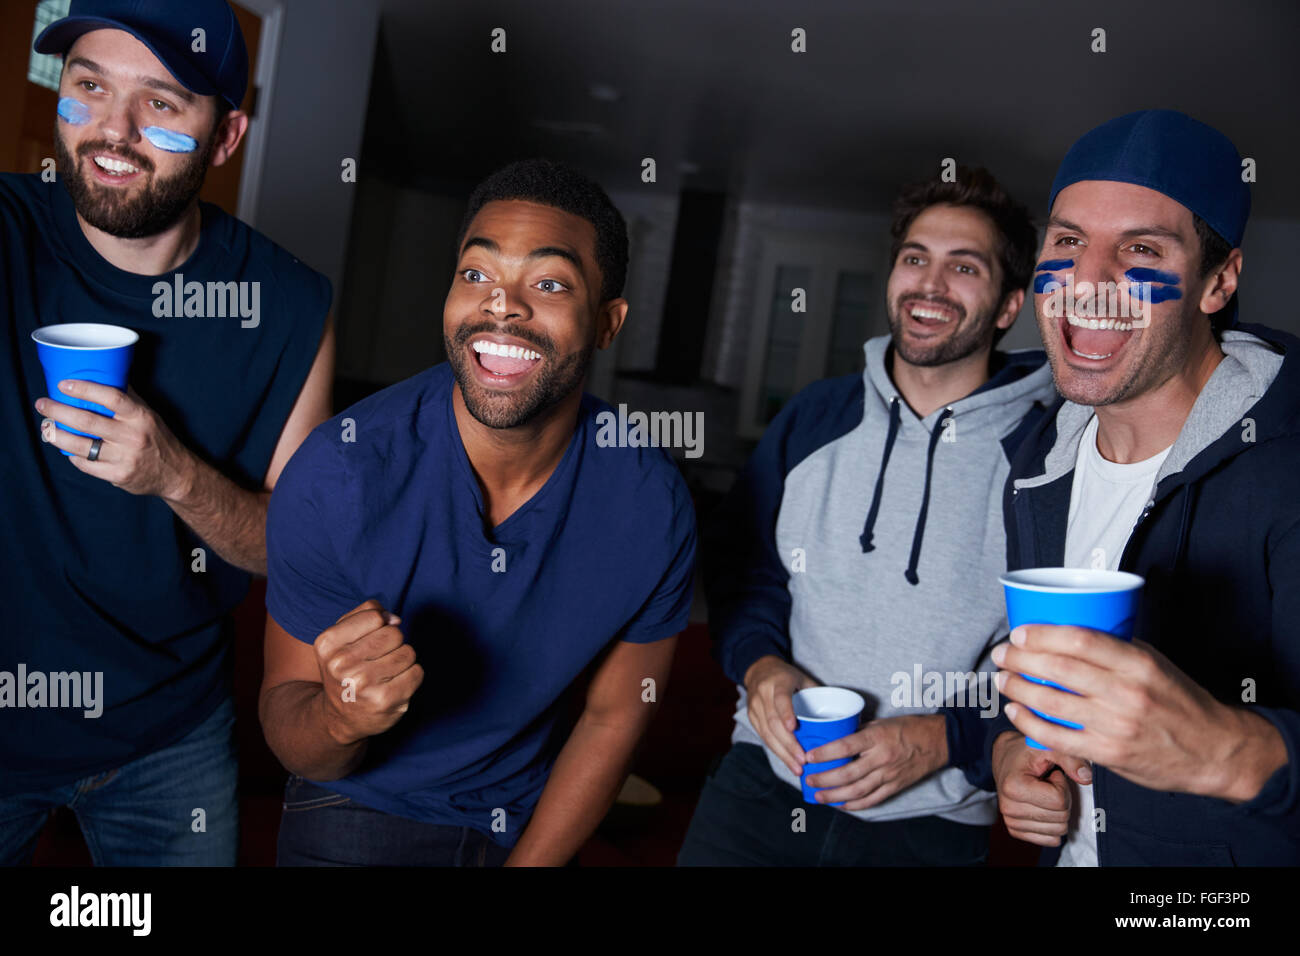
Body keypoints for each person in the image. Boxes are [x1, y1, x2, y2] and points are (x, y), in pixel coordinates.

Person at [259, 158, 697, 867]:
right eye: (477, 275)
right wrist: (341, 719)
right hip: (357, 805)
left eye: (549, 284)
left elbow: (615, 717)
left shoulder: (651, 502)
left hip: (522, 823)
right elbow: (291, 729)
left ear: (607, 323)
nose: (502, 306)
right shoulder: (338, 471)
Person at [0, 0, 334, 866]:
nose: (112, 129)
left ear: (224, 137)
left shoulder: (292, 306)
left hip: (166, 738)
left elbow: (292, 549)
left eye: (161, 102)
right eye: (89, 86)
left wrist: (173, 473)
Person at [677, 167, 1057, 866]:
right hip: (760, 788)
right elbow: (744, 570)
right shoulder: (814, 417)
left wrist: (945, 739)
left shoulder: (1049, 453)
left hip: (933, 823)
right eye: (915, 258)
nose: (930, 285)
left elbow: (1064, 654)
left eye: (963, 267)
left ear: (1009, 305)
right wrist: (760, 668)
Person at [986, 110, 1298, 865]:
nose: (1087, 283)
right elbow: (1027, 660)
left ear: (1217, 282)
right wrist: (1006, 753)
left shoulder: (1287, 470)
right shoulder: (1036, 462)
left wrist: (1229, 752)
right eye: (1068, 242)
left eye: (1141, 250)